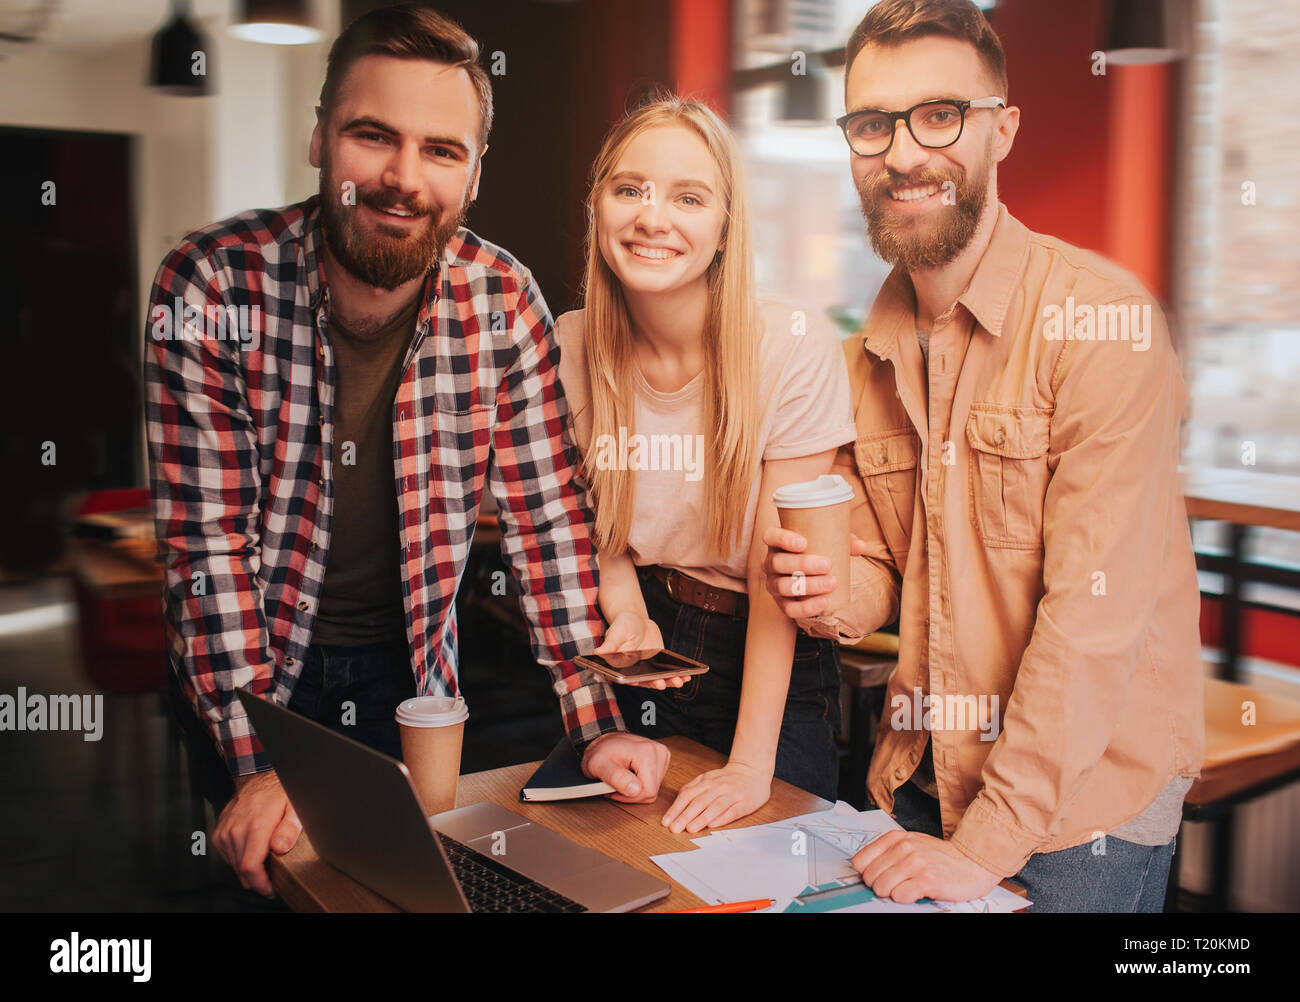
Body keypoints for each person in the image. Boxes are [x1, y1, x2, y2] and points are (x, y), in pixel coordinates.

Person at [144, 5, 667, 900]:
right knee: (276, 882)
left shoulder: (502, 295)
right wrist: (261, 759)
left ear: (472, 172)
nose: (401, 178)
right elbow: (207, 551)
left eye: (440, 149)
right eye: (371, 136)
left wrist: (598, 723)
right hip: (255, 663)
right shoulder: (211, 282)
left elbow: (546, 524)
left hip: (411, 669)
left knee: (400, 889)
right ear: (319, 137)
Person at [762, 0, 1203, 911]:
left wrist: (984, 847)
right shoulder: (862, 357)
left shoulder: (1101, 326)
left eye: (940, 115)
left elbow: (1094, 623)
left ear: (1002, 131)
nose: (904, 154)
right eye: (873, 124)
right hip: (924, 773)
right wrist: (824, 589)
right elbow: (885, 565)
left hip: (1084, 811)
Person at [554, 96, 858, 833]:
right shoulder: (568, 344)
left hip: (764, 648)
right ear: (598, 205)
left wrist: (753, 764)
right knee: (611, 858)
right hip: (636, 640)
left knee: (765, 871)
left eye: (689, 197)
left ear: (725, 228)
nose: (653, 217)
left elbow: (773, 571)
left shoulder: (791, 345)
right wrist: (624, 606)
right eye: (630, 189)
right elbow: (591, 520)